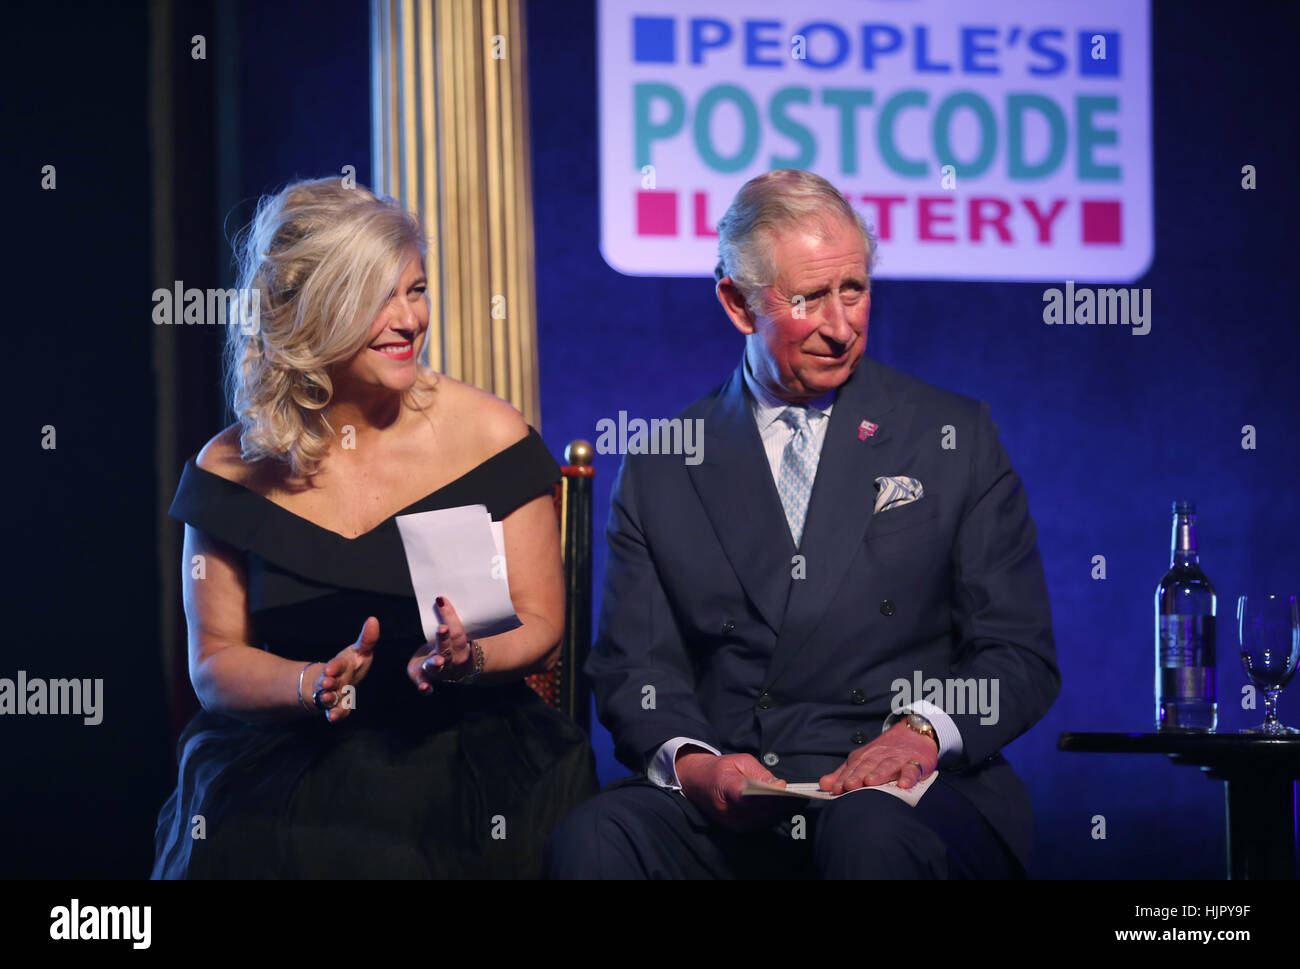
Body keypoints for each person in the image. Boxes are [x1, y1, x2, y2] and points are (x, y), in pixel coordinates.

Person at [547, 169, 1059, 879]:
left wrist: (923, 733)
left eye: (855, 289)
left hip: (910, 791)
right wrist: (696, 766)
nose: (843, 325)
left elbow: (1018, 653)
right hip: (743, 798)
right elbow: (636, 669)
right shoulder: (666, 460)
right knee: (597, 839)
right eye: (810, 298)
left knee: (866, 834)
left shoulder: (952, 435)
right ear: (736, 302)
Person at [152, 177, 597, 878]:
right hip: (292, 747)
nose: (408, 319)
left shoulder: (492, 435)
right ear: (308, 312)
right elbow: (214, 662)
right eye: (375, 297)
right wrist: (312, 682)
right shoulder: (231, 467)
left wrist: (471, 657)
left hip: (467, 746)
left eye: (415, 289)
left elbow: (543, 621)